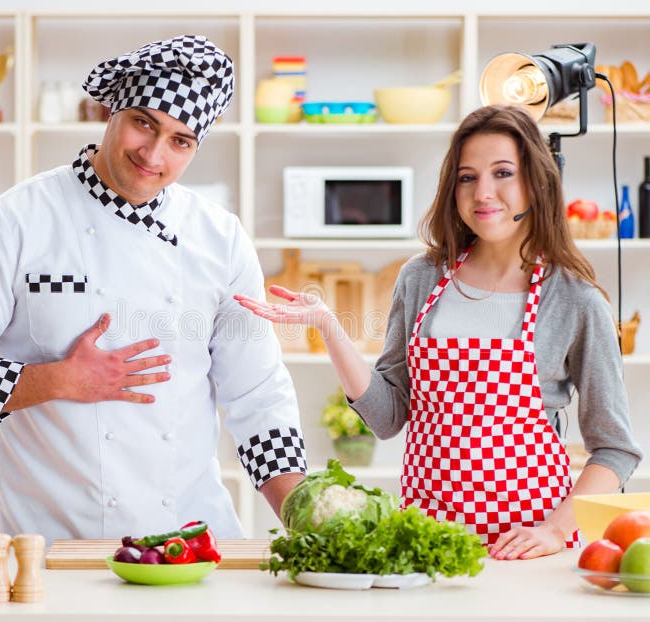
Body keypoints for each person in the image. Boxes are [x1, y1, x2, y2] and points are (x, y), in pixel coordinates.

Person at [0, 35, 307, 544]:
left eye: (180, 141)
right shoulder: (14, 222)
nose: (154, 153)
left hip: (190, 544)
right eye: (144, 123)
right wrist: (56, 380)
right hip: (52, 549)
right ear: (111, 110)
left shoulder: (220, 238)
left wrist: (309, 521)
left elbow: (258, 396)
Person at [236, 104, 642, 560]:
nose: (482, 192)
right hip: (429, 542)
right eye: (467, 177)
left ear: (536, 182)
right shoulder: (422, 278)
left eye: (503, 173)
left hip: (529, 545)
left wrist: (553, 530)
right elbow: (388, 417)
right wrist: (329, 327)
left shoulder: (574, 299)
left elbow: (615, 450)